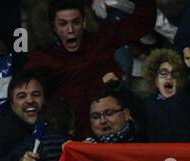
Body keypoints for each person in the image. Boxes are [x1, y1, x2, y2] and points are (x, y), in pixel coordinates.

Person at [25, 0, 156, 131]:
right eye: (63, 24)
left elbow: (143, 21)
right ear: (54, 26)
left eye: (76, 22)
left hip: (112, 132)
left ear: (84, 22)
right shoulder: (42, 59)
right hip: (71, 140)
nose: (70, 30)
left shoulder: (102, 39)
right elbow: (23, 94)